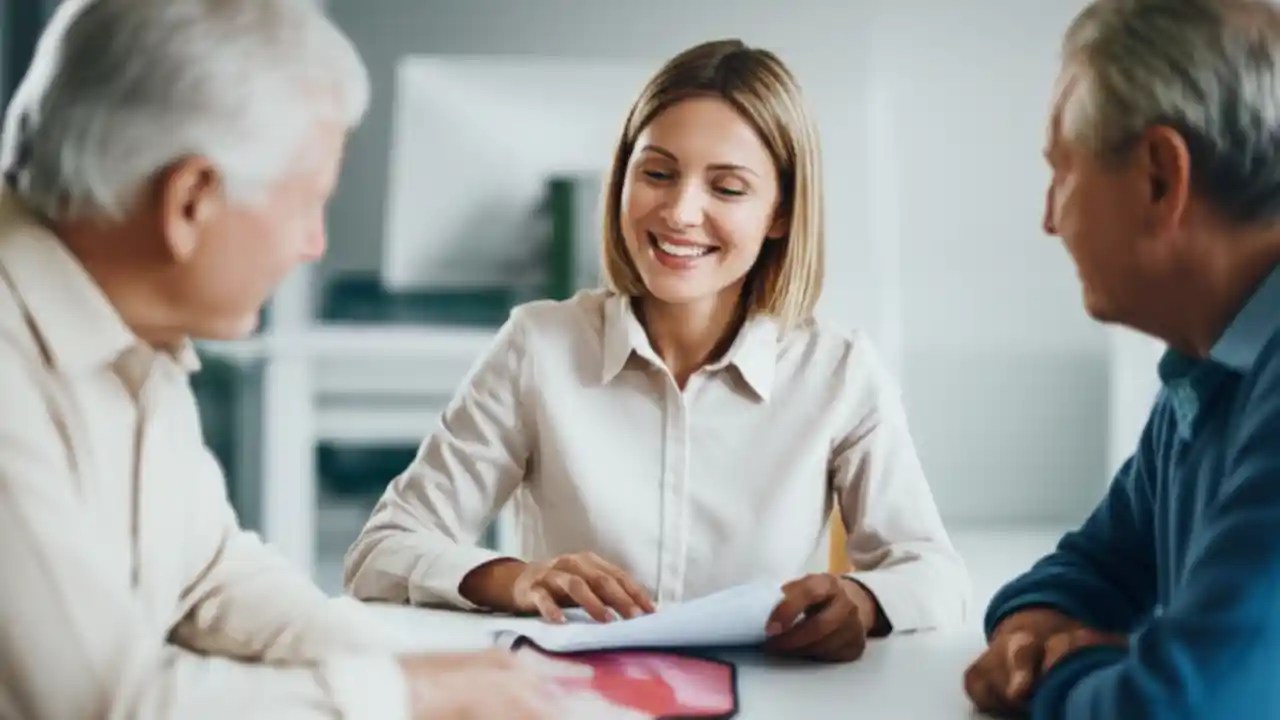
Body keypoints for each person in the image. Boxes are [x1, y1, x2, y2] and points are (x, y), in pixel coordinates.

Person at [0, 1, 557, 718]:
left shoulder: (128, 327)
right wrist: (406, 696)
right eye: (309, 204)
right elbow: (106, 706)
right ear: (191, 201)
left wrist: (409, 668)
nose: (314, 245)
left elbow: (210, 577)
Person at [345, 38, 969, 664]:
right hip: (578, 701)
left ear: (779, 212)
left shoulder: (838, 371)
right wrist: (517, 578)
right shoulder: (539, 346)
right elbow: (382, 550)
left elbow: (935, 578)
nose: (679, 212)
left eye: (727, 188)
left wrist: (859, 601)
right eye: (658, 173)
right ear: (623, 177)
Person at [964, 0, 1280, 717]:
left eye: (1063, 172)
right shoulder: (1205, 369)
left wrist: (1062, 677)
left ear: (1160, 178)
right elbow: (1093, 566)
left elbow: (1187, 706)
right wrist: (1033, 629)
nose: (1050, 218)